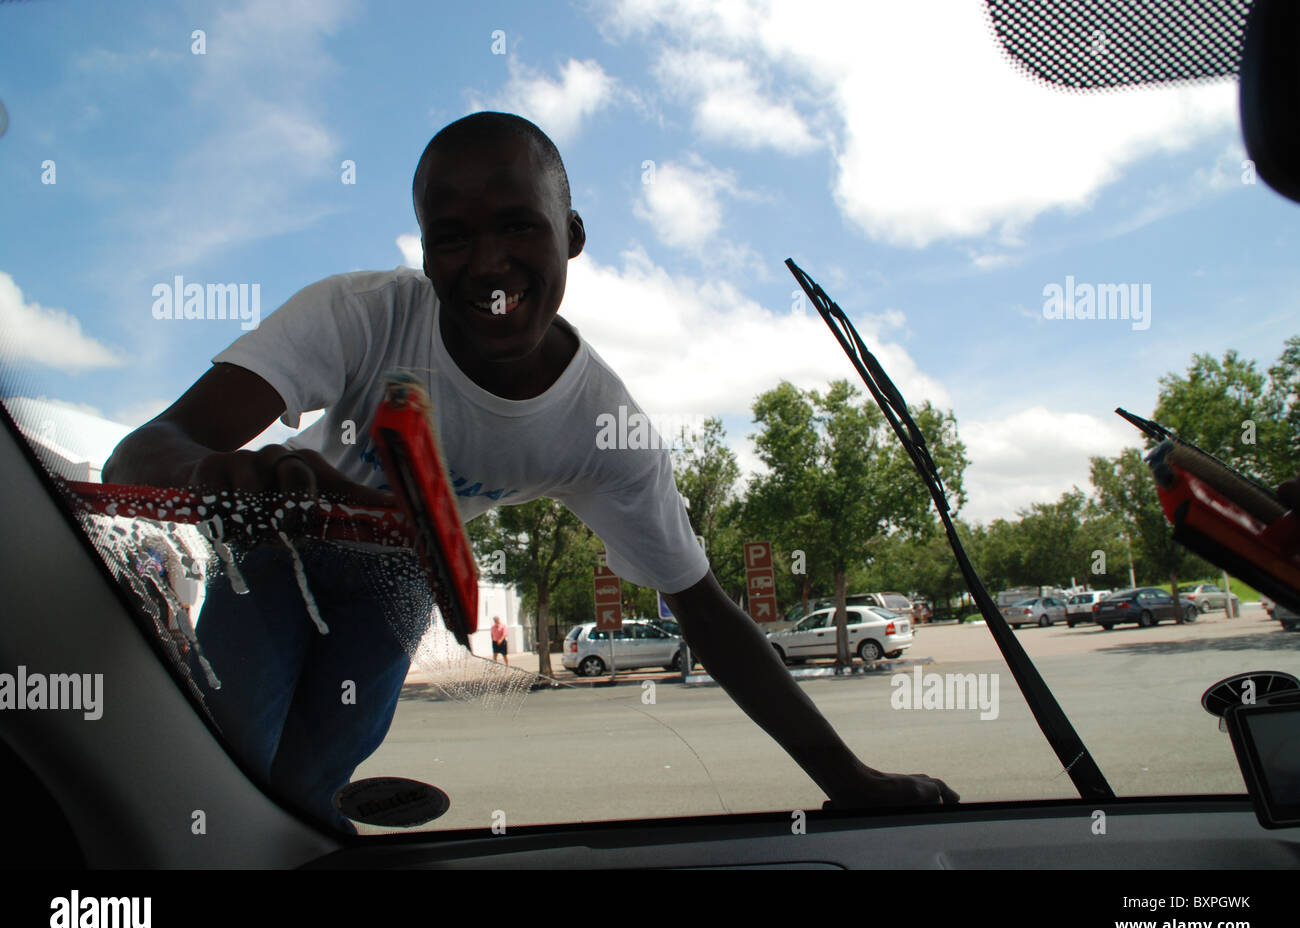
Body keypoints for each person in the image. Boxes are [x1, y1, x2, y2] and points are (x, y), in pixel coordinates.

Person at [102, 111, 958, 831]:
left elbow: (702, 608)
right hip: (274, 554)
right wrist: (228, 474)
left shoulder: (602, 429)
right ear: (426, 252)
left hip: (398, 576)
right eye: (453, 237)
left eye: (519, 225)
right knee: (217, 774)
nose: (487, 264)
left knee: (310, 781)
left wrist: (847, 781)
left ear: (573, 235)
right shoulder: (359, 316)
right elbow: (145, 450)